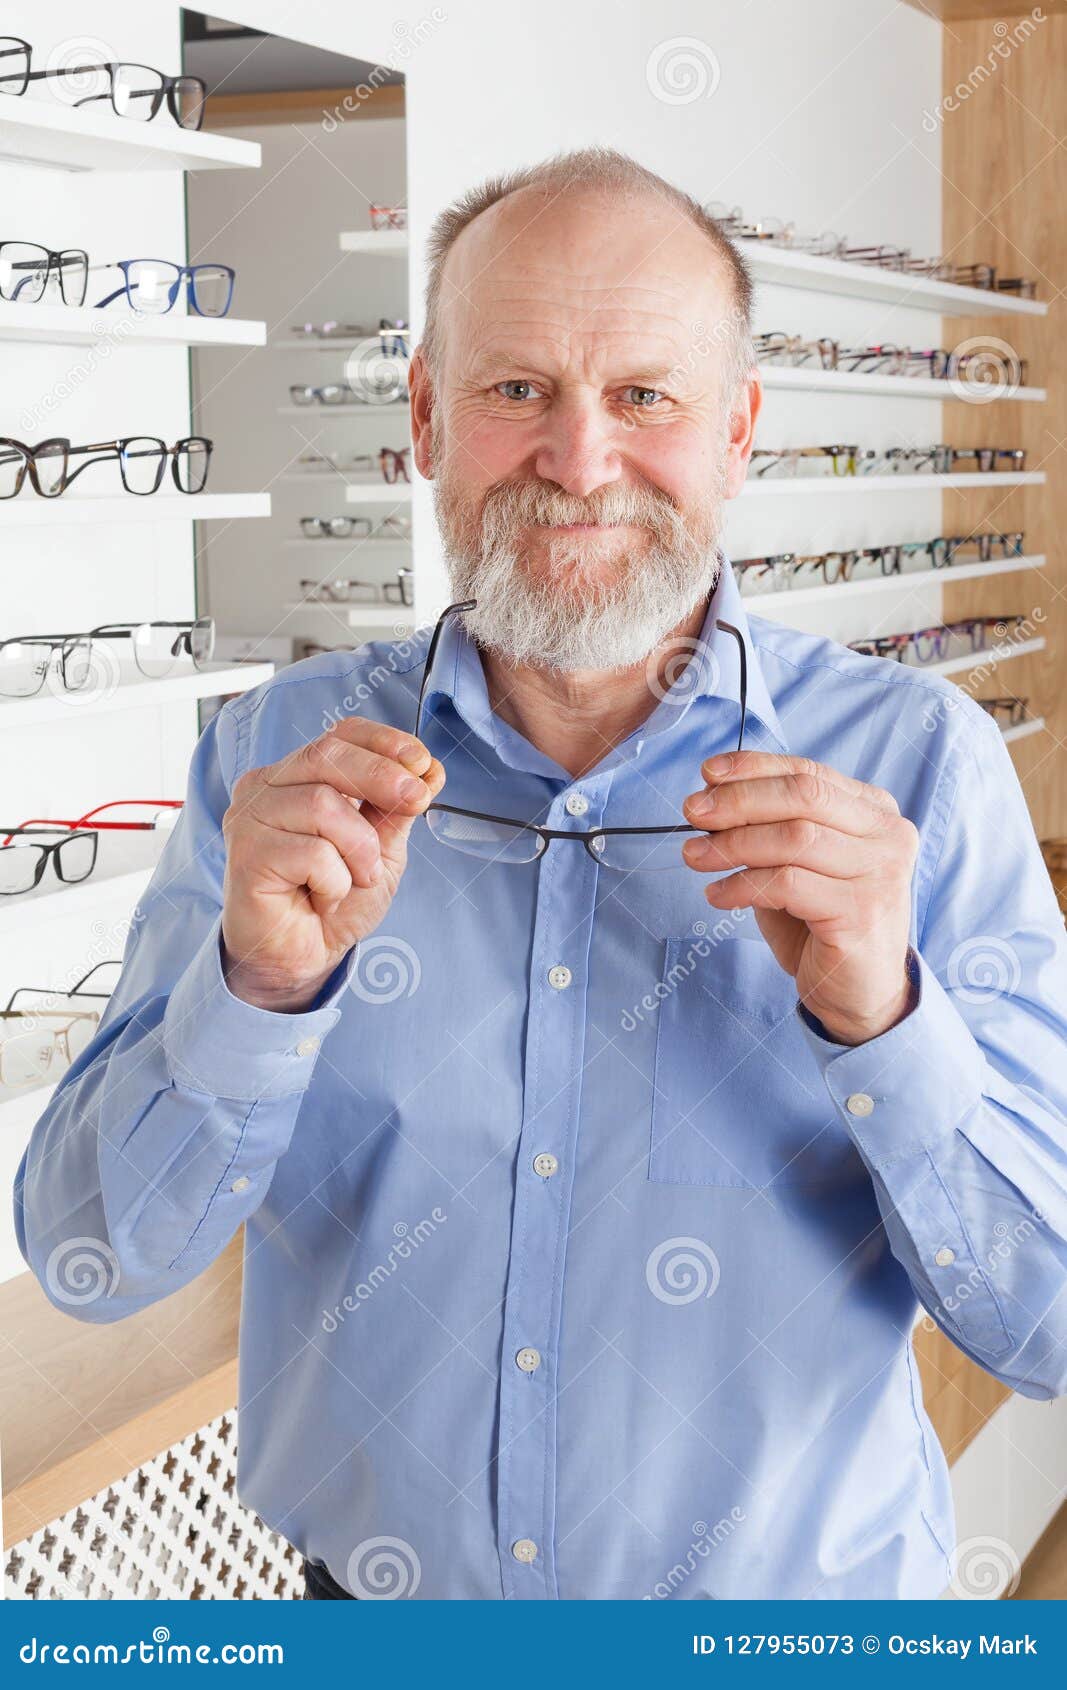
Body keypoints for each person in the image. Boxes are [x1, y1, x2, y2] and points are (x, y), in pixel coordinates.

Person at [15, 147, 1067, 1602]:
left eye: (646, 395)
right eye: (518, 391)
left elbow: (1048, 1325)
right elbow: (90, 1254)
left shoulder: (923, 767)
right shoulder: (278, 760)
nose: (580, 463)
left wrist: (887, 1018)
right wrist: (258, 990)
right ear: (430, 420)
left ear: (739, 433)